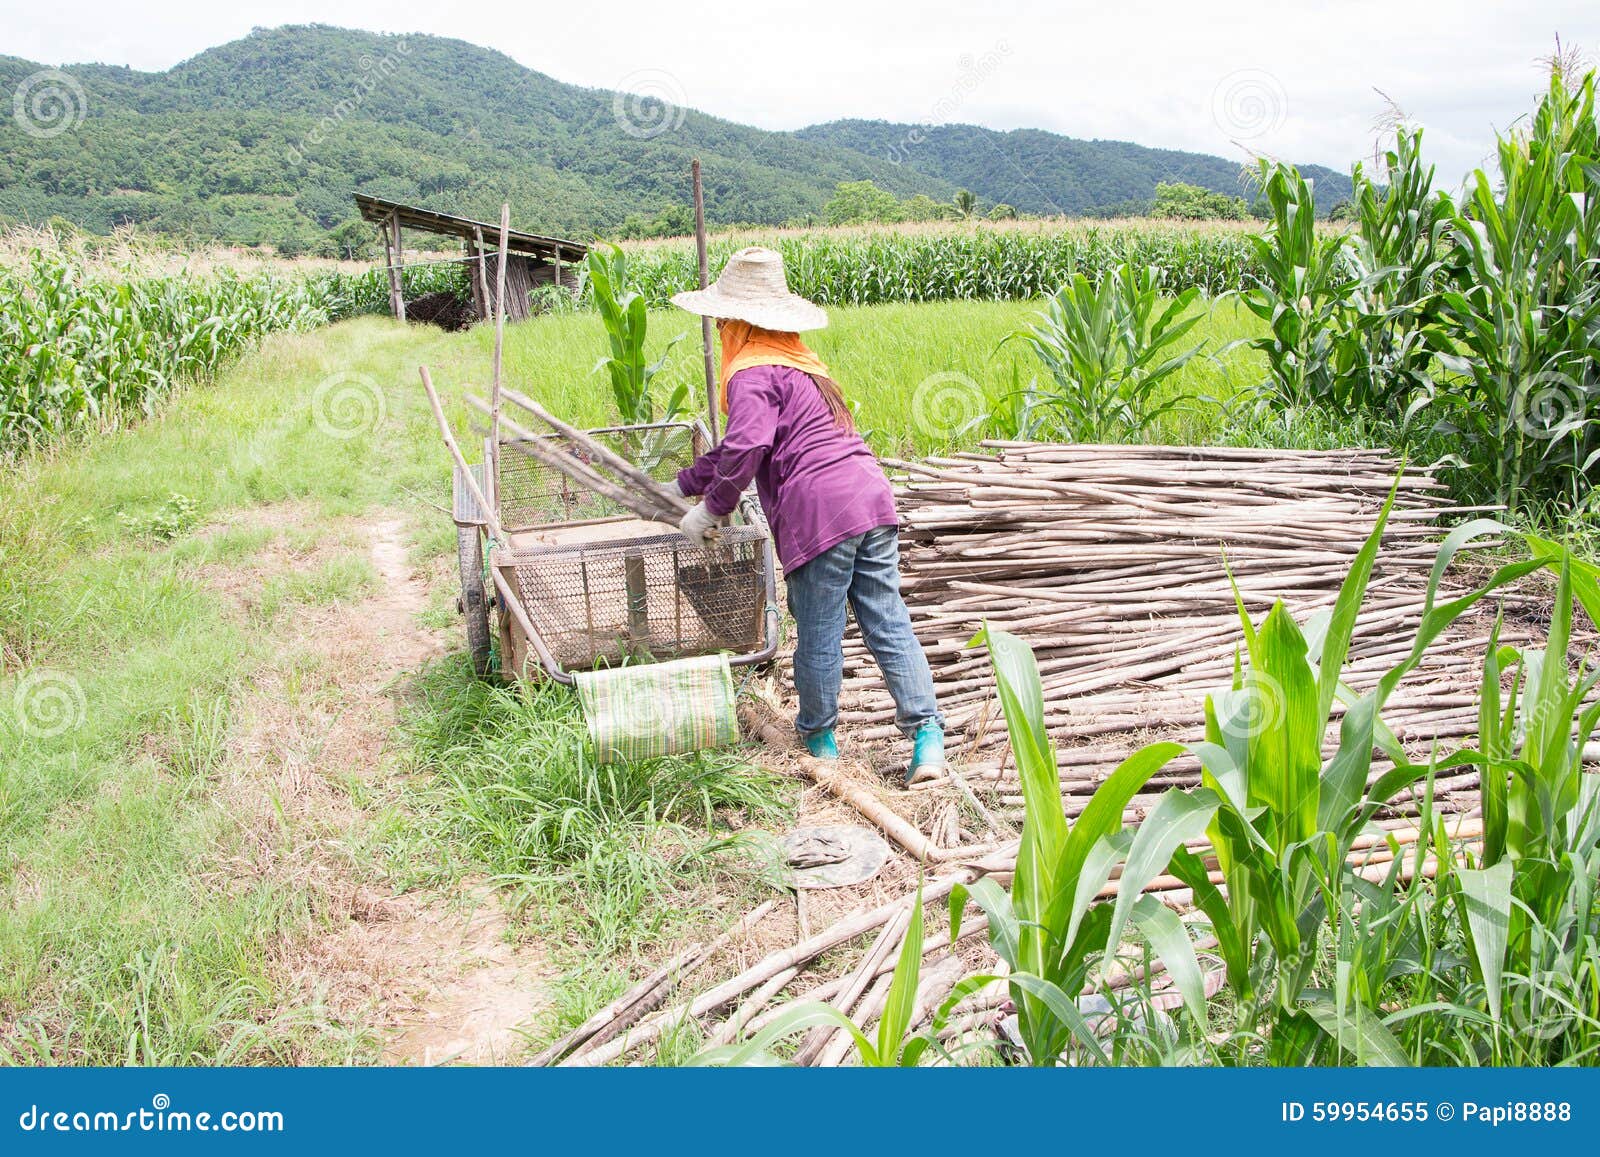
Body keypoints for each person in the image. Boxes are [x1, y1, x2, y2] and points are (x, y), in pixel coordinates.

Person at [667, 247, 945, 785]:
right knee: (886, 619)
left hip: (820, 510)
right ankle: (927, 736)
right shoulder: (801, 367)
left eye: (723, 320)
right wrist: (681, 485)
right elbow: (739, 451)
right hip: (871, 495)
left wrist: (712, 509)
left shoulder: (751, 372)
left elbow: (746, 446)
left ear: (739, 324)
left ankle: (819, 737)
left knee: (819, 626)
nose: (721, 329)